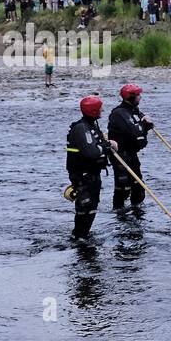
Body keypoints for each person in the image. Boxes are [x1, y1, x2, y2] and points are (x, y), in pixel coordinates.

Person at [65, 96, 115, 239]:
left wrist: (106, 143)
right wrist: (107, 146)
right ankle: (79, 237)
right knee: (85, 206)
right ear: (93, 110)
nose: (102, 110)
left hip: (92, 173)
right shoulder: (82, 128)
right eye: (100, 108)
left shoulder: (92, 126)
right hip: (83, 174)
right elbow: (91, 151)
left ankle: (84, 234)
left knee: (92, 207)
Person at [106, 84, 153, 212]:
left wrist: (146, 125)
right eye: (138, 95)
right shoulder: (119, 113)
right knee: (123, 186)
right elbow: (133, 130)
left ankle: (137, 211)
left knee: (138, 187)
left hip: (132, 153)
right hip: (120, 155)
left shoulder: (134, 110)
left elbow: (139, 129)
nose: (140, 97)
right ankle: (119, 212)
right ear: (131, 96)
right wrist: (144, 124)